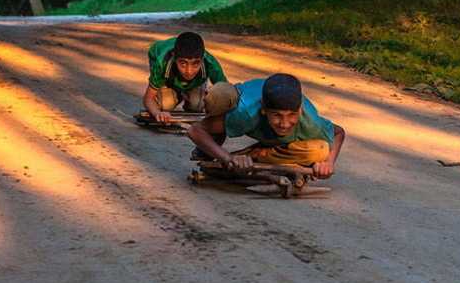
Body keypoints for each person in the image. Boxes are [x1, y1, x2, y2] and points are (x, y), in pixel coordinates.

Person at [186, 73, 345, 179]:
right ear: (264, 108)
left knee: (320, 151)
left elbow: (338, 133)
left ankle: (254, 155)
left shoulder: (311, 122)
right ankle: (214, 143)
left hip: (273, 145)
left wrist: (328, 164)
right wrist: (227, 158)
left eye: (292, 115)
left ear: (300, 107)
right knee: (217, 98)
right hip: (240, 96)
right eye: (276, 115)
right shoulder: (246, 114)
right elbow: (195, 130)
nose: (284, 124)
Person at [143, 32, 227, 124]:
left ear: (202, 58)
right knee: (166, 105)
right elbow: (148, 98)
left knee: (197, 105)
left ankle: (185, 93)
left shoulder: (211, 64)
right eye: (183, 63)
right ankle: (177, 93)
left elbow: (229, 93)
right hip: (164, 67)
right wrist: (157, 113)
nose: (189, 71)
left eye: (195, 64)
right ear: (174, 57)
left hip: (195, 80)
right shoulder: (162, 63)